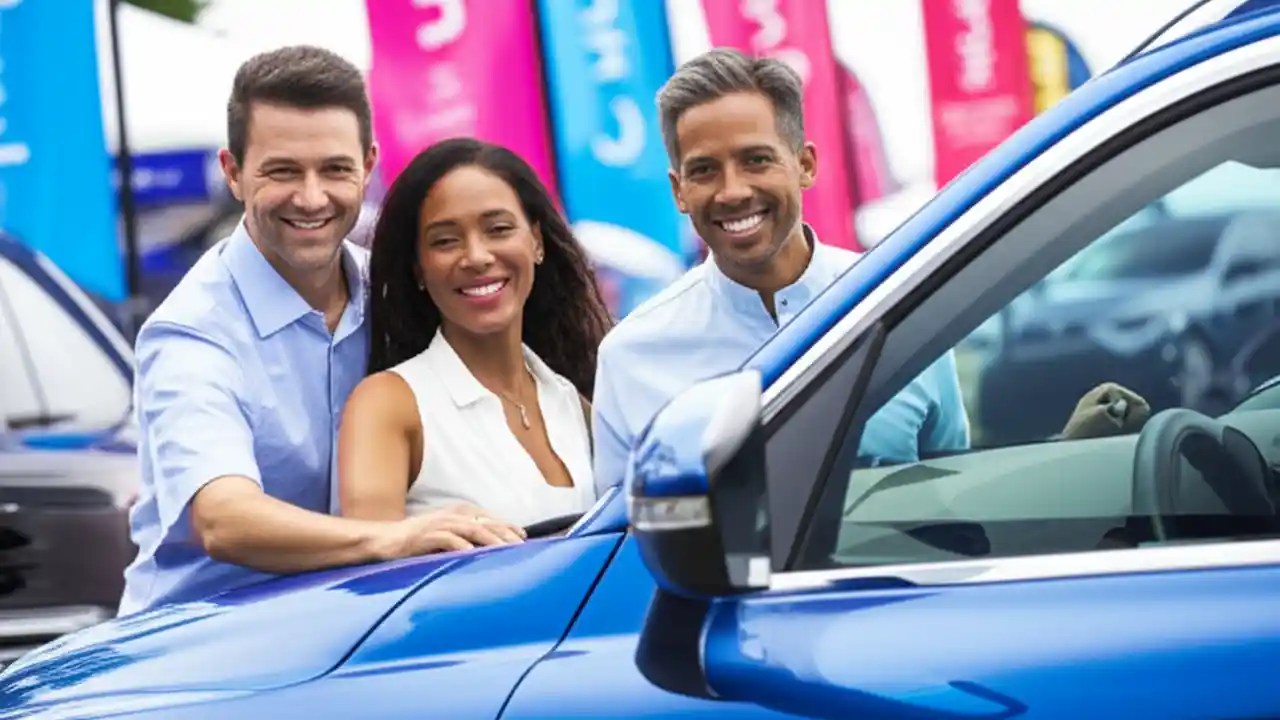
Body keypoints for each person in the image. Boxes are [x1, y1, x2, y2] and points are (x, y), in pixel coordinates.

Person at [591, 49, 1148, 492]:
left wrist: (1069, 456)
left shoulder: (897, 303)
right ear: (679, 191)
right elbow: (615, 556)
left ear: (804, 165)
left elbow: (952, 493)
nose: (733, 191)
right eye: (705, 170)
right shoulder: (633, 355)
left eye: (756, 160)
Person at [121, 47, 521, 616]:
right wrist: (394, 539)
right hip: (197, 650)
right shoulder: (192, 333)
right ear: (232, 173)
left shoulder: (398, 295)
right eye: (282, 171)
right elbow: (224, 520)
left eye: (334, 169)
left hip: (348, 630)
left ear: (369, 165)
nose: (311, 198)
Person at [335, 138, 612, 528]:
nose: (477, 257)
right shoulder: (389, 404)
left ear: (536, 241)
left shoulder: (571, 401)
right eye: (445, 240)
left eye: (498, 229)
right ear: (418, 267)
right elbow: (371, 561)